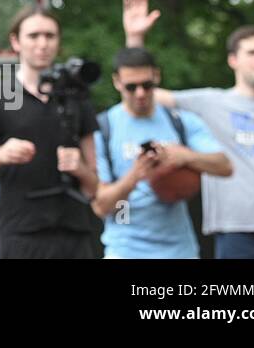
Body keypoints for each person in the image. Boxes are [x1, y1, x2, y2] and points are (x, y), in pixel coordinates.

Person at [123, 0, 254, 259]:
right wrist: (135, 38)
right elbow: (144, 94)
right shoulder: (212, 101)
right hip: (234, 232)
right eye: (252, 52)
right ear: (233, 60)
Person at [0, 6, 101, 258]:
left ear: (58, 41)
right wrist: (0, 154)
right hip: (20, 236)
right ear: (16, 41)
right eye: (33, 36)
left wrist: (81, 169)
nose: (42, 44)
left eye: (50, 35)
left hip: (76, 235)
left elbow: (97, 188)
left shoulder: (78, 98)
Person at [91, 47, 231, 258]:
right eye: (131, 87)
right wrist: (136, 174)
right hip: (125, 247)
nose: (140, 93)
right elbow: (101, 206)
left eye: (147, 85)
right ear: (117, 82)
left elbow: (225, 166)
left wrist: (185, 156)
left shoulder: (179, 121)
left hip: (179, 249)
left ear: (157, 76)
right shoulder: (104, 129)